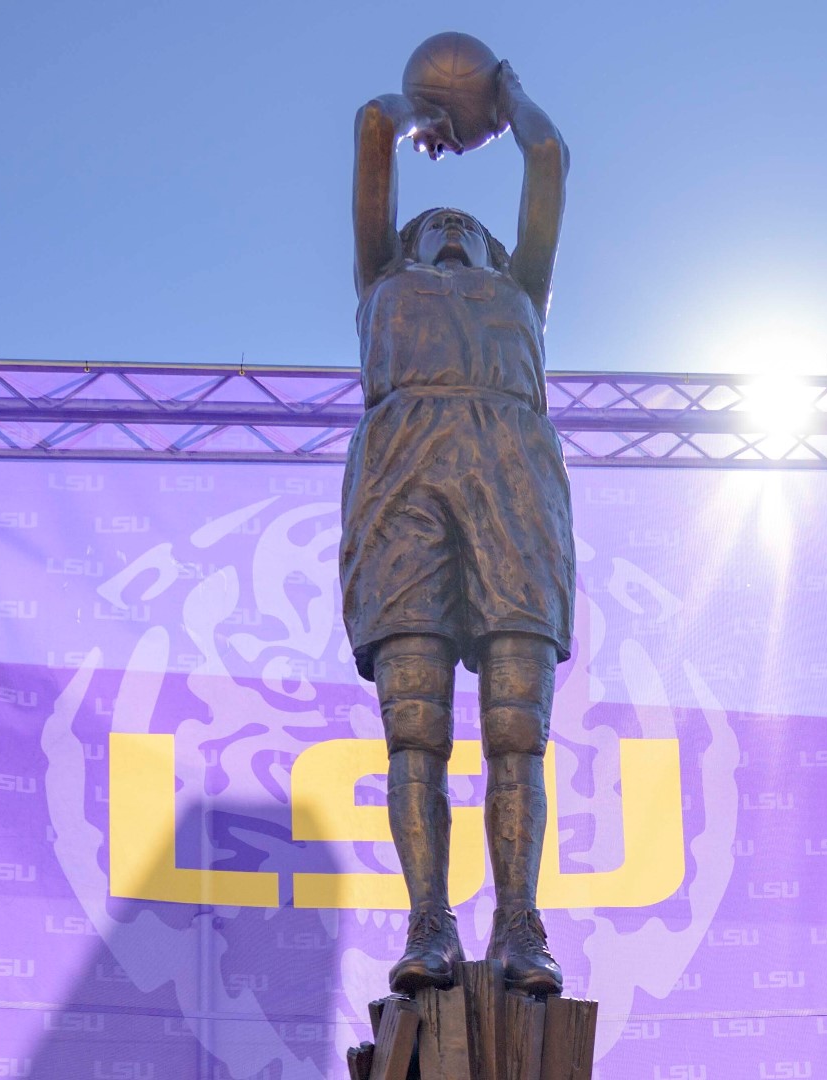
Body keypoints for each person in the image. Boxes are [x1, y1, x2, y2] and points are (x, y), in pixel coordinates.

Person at [341, 60, 574, 997]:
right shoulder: (379, 287)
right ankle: (429, 922)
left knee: (517, 726)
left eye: (463, 224)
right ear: (401, 248)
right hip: (402, 481)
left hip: (515, 482)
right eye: (428, 221)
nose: (445, 225)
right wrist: (421, 112)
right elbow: (368, 127)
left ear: (491, 252)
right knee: (416, 728)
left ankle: (520, 923)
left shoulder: (523, 292)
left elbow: (551, 158)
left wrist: (505, 100)